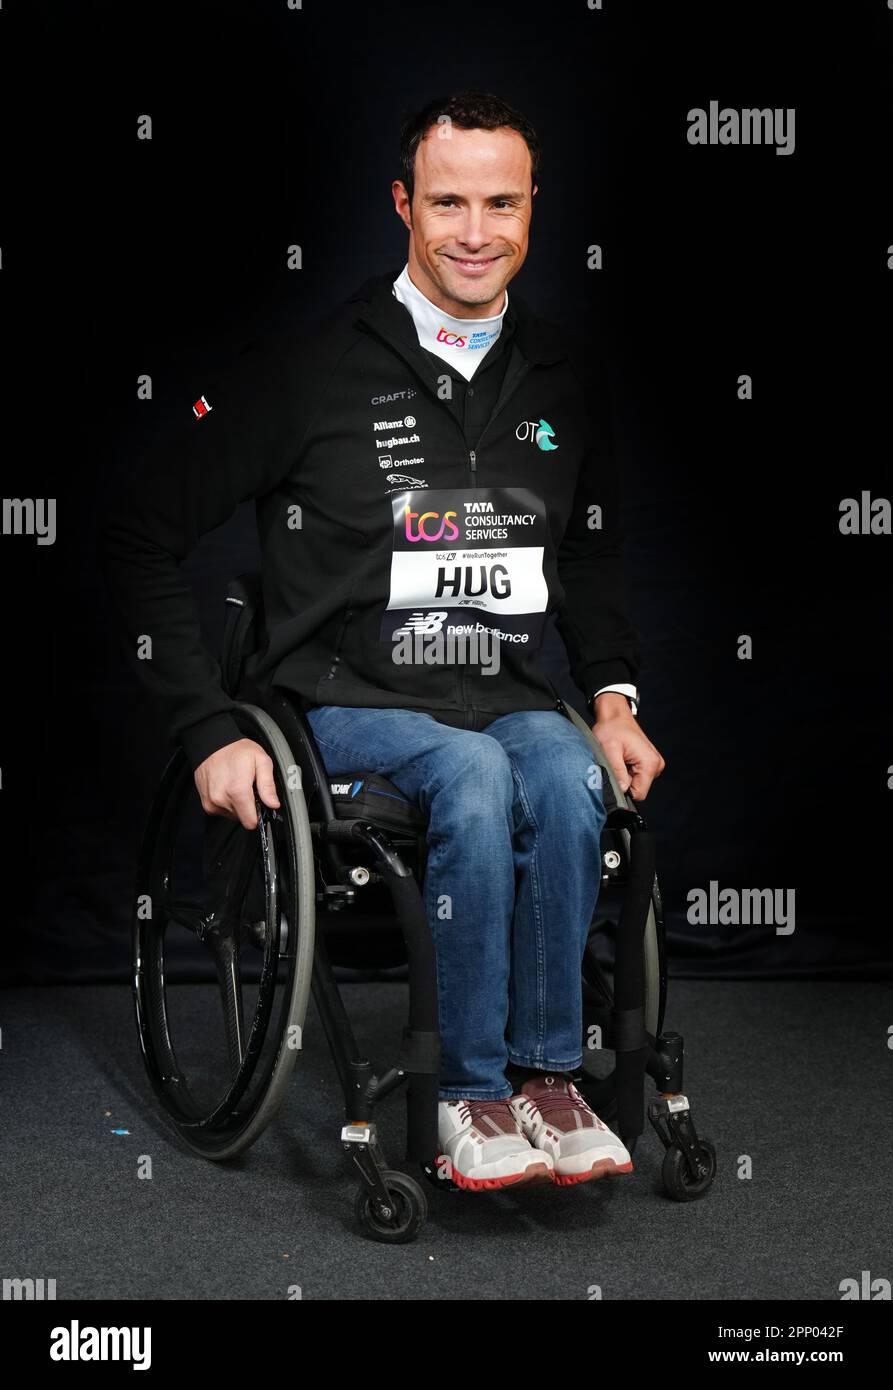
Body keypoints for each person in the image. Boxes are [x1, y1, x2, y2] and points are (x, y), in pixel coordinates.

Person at [99, 89, 666, 1193]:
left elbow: (587, 554)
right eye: (447, 201)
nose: (474, 231)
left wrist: (609, 696)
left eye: (500, 203)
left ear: (533, 208)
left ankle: (547, 1078)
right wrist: (210, 727)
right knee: (469, 768)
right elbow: (137, 532)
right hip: (340, 698)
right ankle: (464, 1093)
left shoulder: (561, 376)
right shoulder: (307, 371)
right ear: (402, 204)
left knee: (556, 767)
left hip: (500, 691)